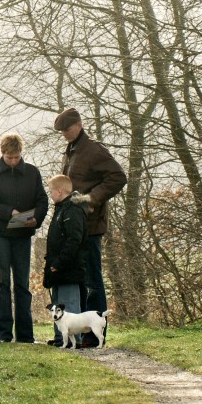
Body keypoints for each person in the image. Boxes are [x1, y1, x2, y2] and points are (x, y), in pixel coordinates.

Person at [54, 107, 127, 325]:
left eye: (67, 129)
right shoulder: (71, 150)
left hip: (91, 225)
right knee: (80, 280)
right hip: (73, 226)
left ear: (79, 125)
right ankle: (81, 331)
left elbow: (118, 177)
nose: (65, 133)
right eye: (62, 131)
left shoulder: (94, 150)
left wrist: (91, 198)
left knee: (92, 281)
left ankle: (95, 335)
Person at [0, 132, 48, 343]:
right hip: (1, 234)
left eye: (16, 157)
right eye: (9, 157)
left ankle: (26, 336)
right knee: (2, 284)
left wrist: (36, 218)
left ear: (21, 153)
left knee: (22, 284)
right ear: (2, 153)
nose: (13, 161)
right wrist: (9, 211)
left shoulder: (32, 173)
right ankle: (3, 334)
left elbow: (42, 200)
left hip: (23, 235)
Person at [42, 174, 89, 346]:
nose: (50, 194)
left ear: (59, 191)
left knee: (69, 304)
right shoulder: (61, 210)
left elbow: (74, 241)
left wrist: (59, 263)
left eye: (51, 191)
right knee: (58, 305)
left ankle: (73, 339)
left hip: (69, 268)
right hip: (58, 269)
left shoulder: (73, 211)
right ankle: (60, 338)